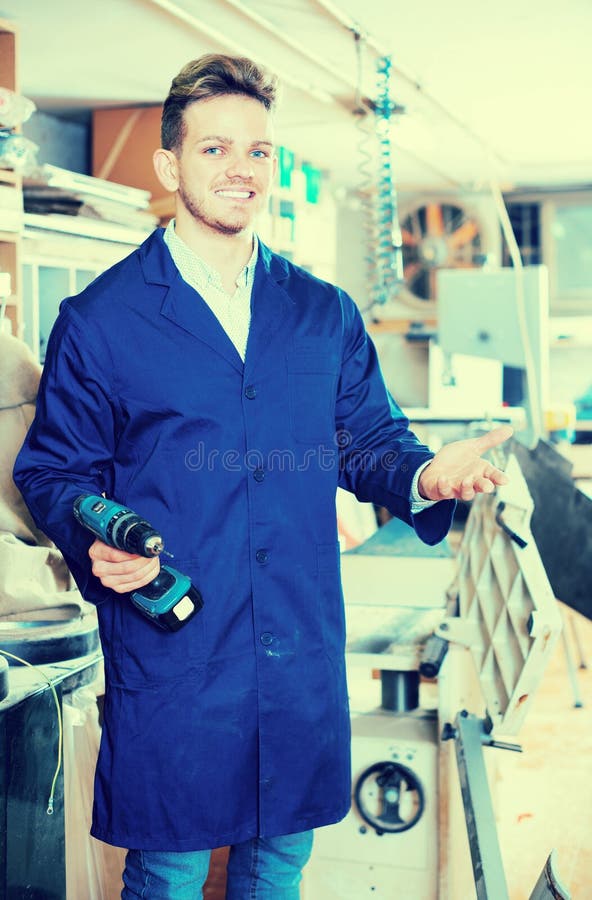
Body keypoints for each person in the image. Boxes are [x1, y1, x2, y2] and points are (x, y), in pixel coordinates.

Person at [13, 54, 512, 899]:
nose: (242, 169)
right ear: (170, 166)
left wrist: (425, 476)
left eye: (258, 151)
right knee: (169, 862)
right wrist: (100, 541)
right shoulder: (102, 322)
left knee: (279, 858)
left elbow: (368, 443)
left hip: (296, 640)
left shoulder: (321, 313)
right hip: (176, 644)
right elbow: (56, 471)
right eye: (215, 150)